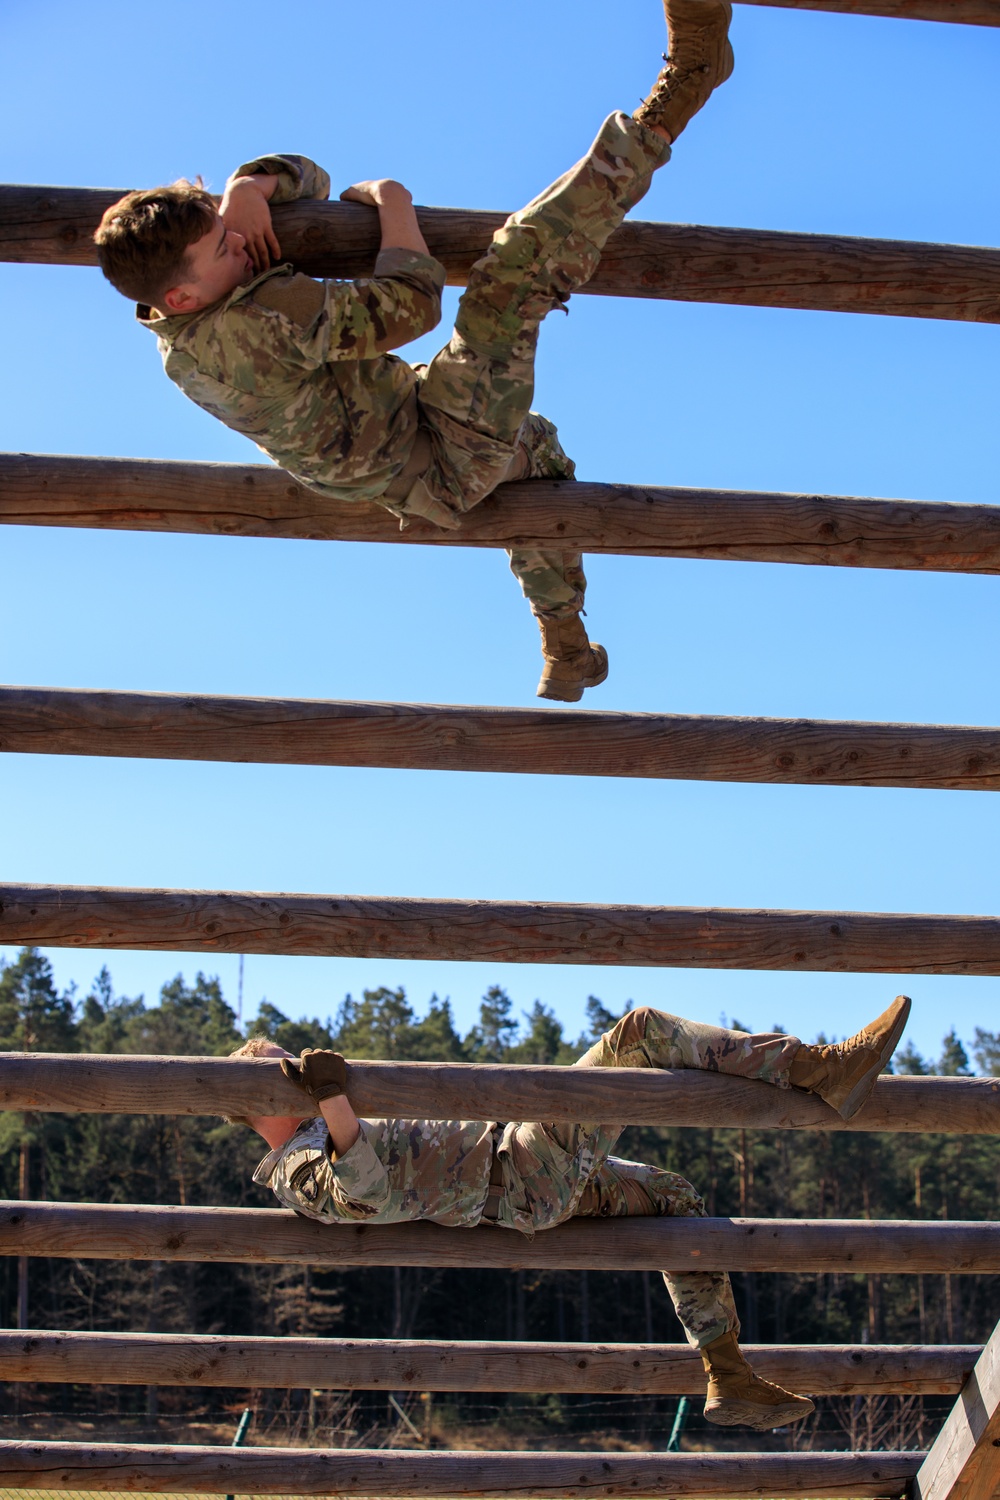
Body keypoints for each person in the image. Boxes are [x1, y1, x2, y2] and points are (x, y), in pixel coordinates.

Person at [93, 0, 734, 703]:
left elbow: (314, 181)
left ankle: (567, 648)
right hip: (440, 454)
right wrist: (395, 200)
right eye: (223, 247)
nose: (242, 240)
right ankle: (684, 87)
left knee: (538, 449)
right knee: (515, 271)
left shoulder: (179, 324)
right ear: (183, 296)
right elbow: (414, 305)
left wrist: (248, 185)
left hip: (408, 438)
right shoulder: (253, 328)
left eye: (228, 229)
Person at [232, 995, 911, 1432]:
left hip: (522, 1177)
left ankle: (727, 1375)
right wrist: (332, 1098)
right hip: (520, 1172)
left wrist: (331, 1099)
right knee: (638, 1033)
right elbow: (368, 1197)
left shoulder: (318, 1129)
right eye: (281, 1071)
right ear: (249, 1107)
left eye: (293, 1064)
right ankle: (822, 1071)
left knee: (675, 1199)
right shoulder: (295, 1165)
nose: (295, 1073)